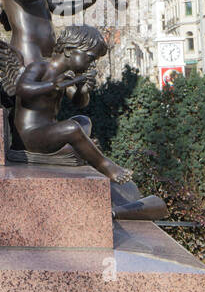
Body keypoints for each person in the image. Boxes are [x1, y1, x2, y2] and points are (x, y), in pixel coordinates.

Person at [13, 25, 132, 183]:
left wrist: (83, 90)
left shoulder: (66, 77)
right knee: (72, 128)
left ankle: (78, 148)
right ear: (69, 50)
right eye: (90, 58)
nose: (92, 65)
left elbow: (79, 103)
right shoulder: (39, 67)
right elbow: (22, 89)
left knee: (83, 121)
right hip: (30, 136)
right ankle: (106, 166)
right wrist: (52, 85)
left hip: (48, 132)